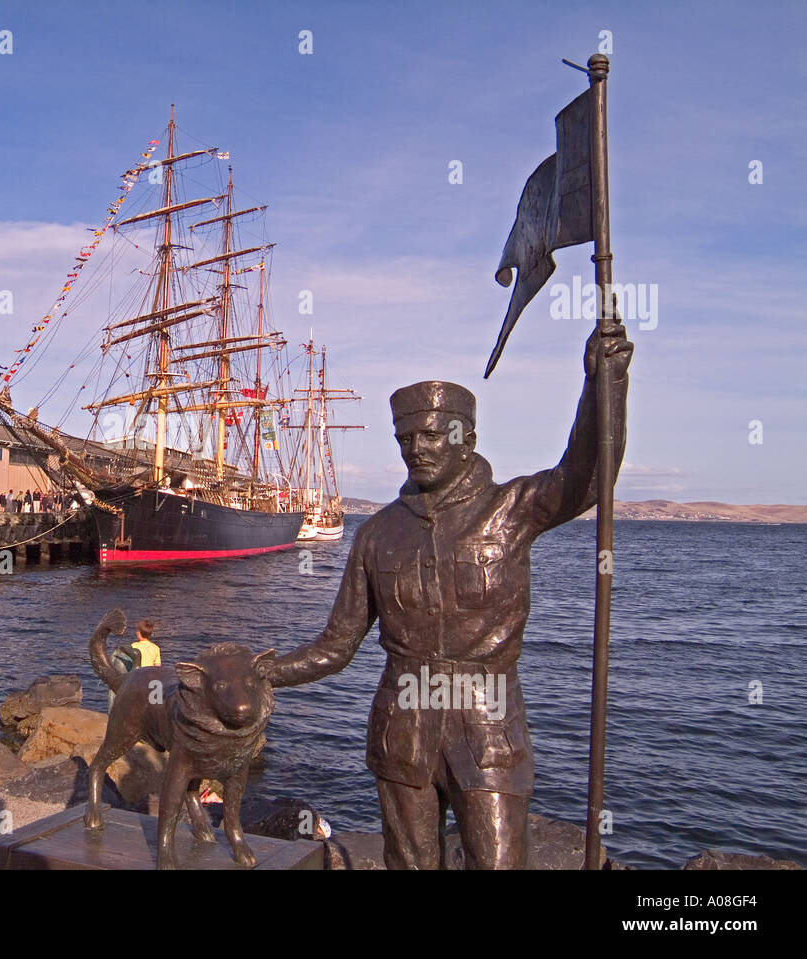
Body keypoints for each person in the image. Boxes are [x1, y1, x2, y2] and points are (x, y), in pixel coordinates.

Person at [267, 324, 632, 869]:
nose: (417, 449)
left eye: (432, 436)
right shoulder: (376, 534)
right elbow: (335, 647)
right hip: (401, 726)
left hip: (488, 728)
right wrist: (258, 670)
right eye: (406, 440)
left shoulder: (512, 509)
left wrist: (604, 383)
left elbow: (588, 474)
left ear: (467, 439)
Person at [106, 617, 163, 711]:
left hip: (137, 676)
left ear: (139, 633)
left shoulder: (134, 646)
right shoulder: (156, 648)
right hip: (150, 678)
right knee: (152, 704)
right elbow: (158, 667)